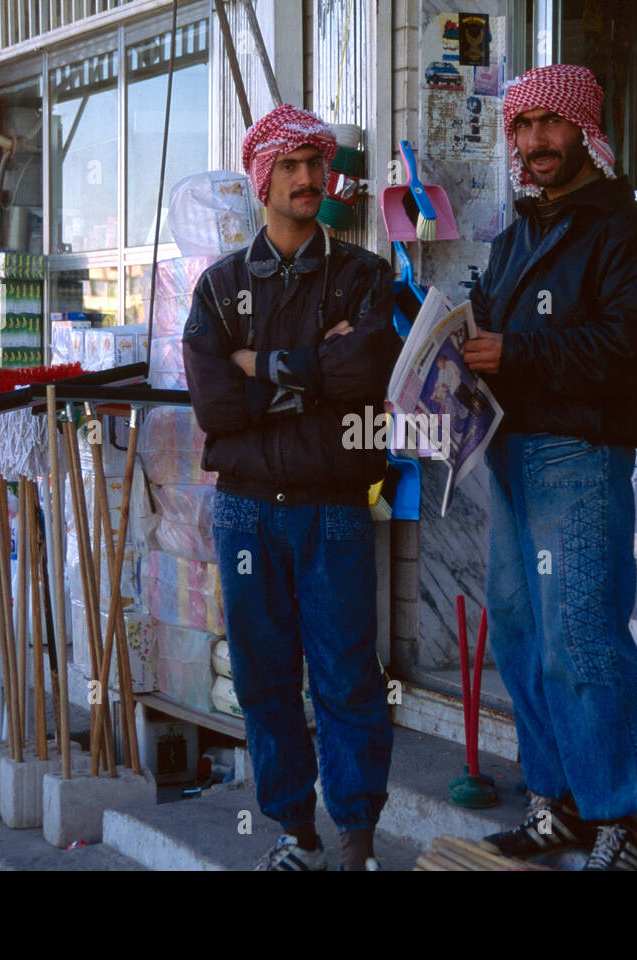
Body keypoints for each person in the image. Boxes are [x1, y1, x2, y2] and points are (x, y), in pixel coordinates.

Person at [462, 64, 637, 870]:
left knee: (582, 639)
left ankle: (621, 822)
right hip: (512, 453)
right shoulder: (519, 232)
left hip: (579, 456)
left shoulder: (624, 231)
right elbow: (492, 331)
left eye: (550, 125)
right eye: (522, 127)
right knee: (522, 635)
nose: (534, 142)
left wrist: (516, 351)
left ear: (584, 130)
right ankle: (557, 806)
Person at [181, 104, 400, 871]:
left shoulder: (369, 278)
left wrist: (259, 367)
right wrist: (309, 371)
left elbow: (364, 377)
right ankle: (293, 833)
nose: (310, 178)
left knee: (347, 677)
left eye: (317, 163)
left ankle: (356, 840)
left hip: (333, 508)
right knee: (263, 678)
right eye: (292, 166)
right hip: (244, 512)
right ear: (261, 178)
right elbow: (214, 405)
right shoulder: (218, 288)